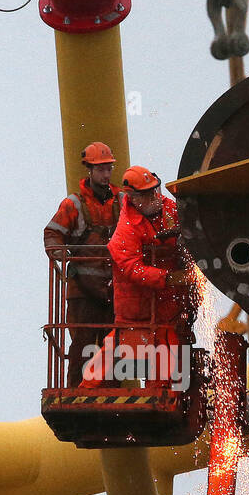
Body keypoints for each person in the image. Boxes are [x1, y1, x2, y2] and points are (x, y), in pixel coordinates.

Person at [80, 165, 198, 389]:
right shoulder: (126, 230)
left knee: (167, 356)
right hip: (136, 311)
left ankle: (159, 399)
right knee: (118, 346)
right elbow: (133, 269)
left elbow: (189, 227)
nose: (154, 197)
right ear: (133, 197)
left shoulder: (169, 209)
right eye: (147, 193)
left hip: (167, 309)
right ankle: (85, 391)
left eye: (155, 190)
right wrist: (172, 278)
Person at [44, 142, 123, 387]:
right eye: (100, 169)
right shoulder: (74, 204)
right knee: (82, 344)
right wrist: (62, 255)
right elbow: (52, 235)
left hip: (114, 289)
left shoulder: (121, 202)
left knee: (114, 344)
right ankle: (75, 391)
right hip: (82, 290)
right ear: (89, 169)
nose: (106, 174)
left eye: (108, 168)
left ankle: (112, 393)